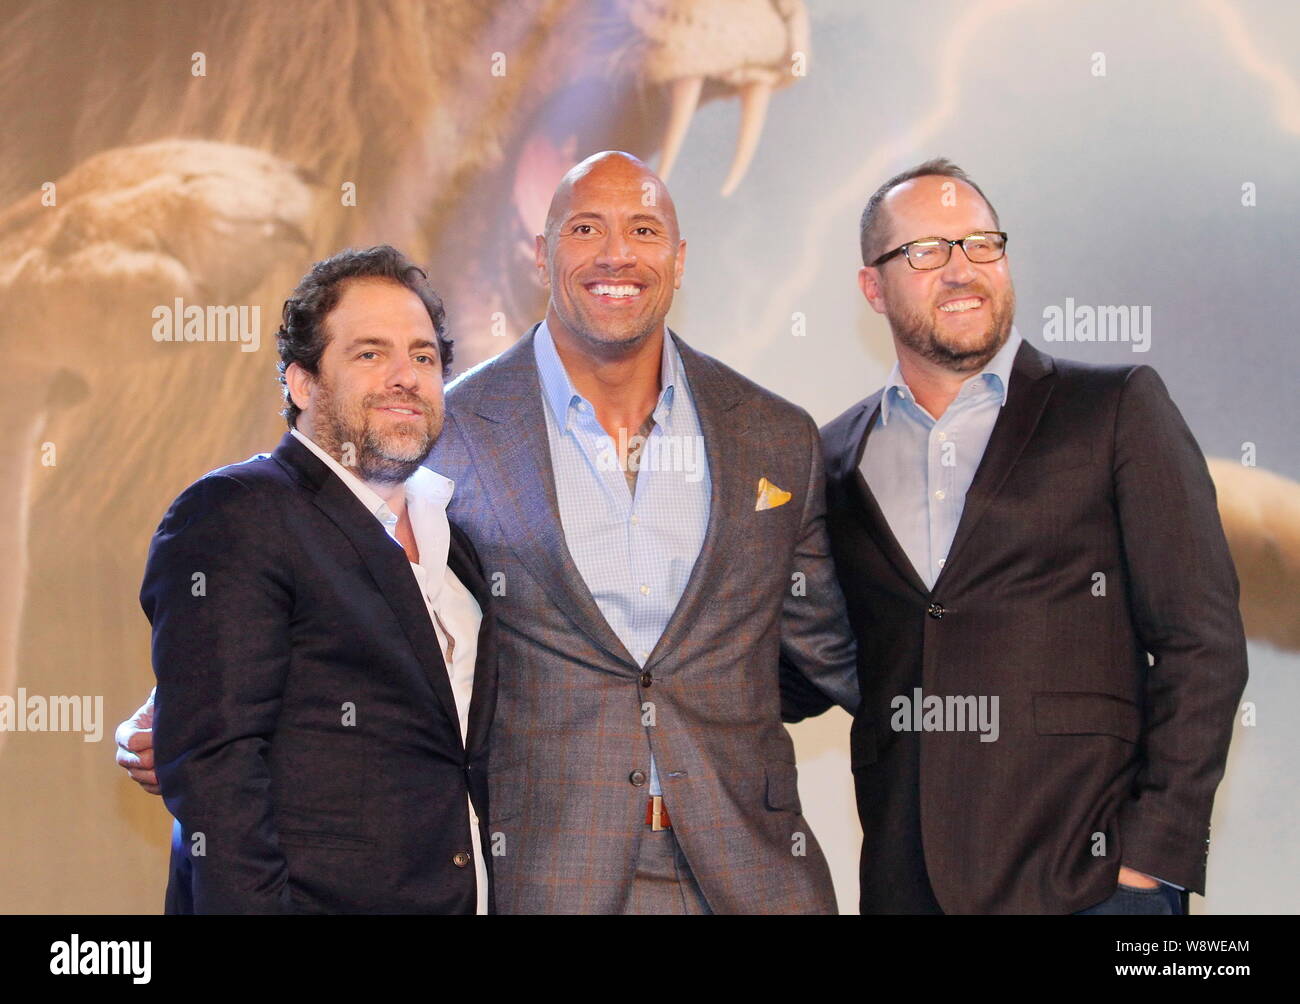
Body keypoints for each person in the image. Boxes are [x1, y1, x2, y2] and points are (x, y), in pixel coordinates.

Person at [120, 151, 859, 914]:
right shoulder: (438, 431)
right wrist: (181, 703)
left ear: (678, 258)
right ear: (541, 255)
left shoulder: (774, 435)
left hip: (751, 871)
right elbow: (309, 582)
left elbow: (815, 650)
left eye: (643, 228)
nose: (616, 253)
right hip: (542, 875)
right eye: (584, 227)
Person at [785, 158, 1249, 914]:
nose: (962, 270)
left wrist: (1149, 861)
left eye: (981, 245)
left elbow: (1204, 642)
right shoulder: (832, 459)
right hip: (908, 886)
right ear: (872, 286)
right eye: (927, 251)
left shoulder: (1116, 408)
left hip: (1090, 884)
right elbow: (824, 664)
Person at [134, 245, 497, 913]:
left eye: (423, 356)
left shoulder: (456, 537)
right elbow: (217, 773)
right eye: (369, 353)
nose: (405, 376)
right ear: (301, 383)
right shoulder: (237, 512)